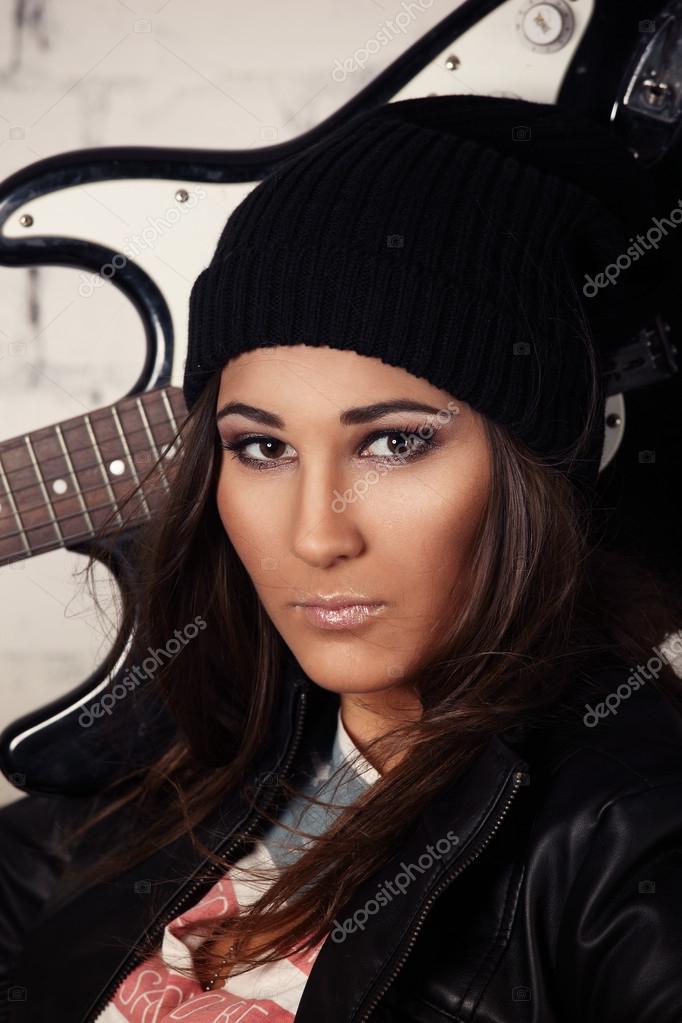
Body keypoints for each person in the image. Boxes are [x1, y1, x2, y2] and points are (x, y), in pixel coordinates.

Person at [2, 93, 682, 1023]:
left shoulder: (631, 839)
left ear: (543, 465)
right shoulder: (190, 771)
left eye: (395, 442)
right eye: (262, 448)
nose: (317, 536)